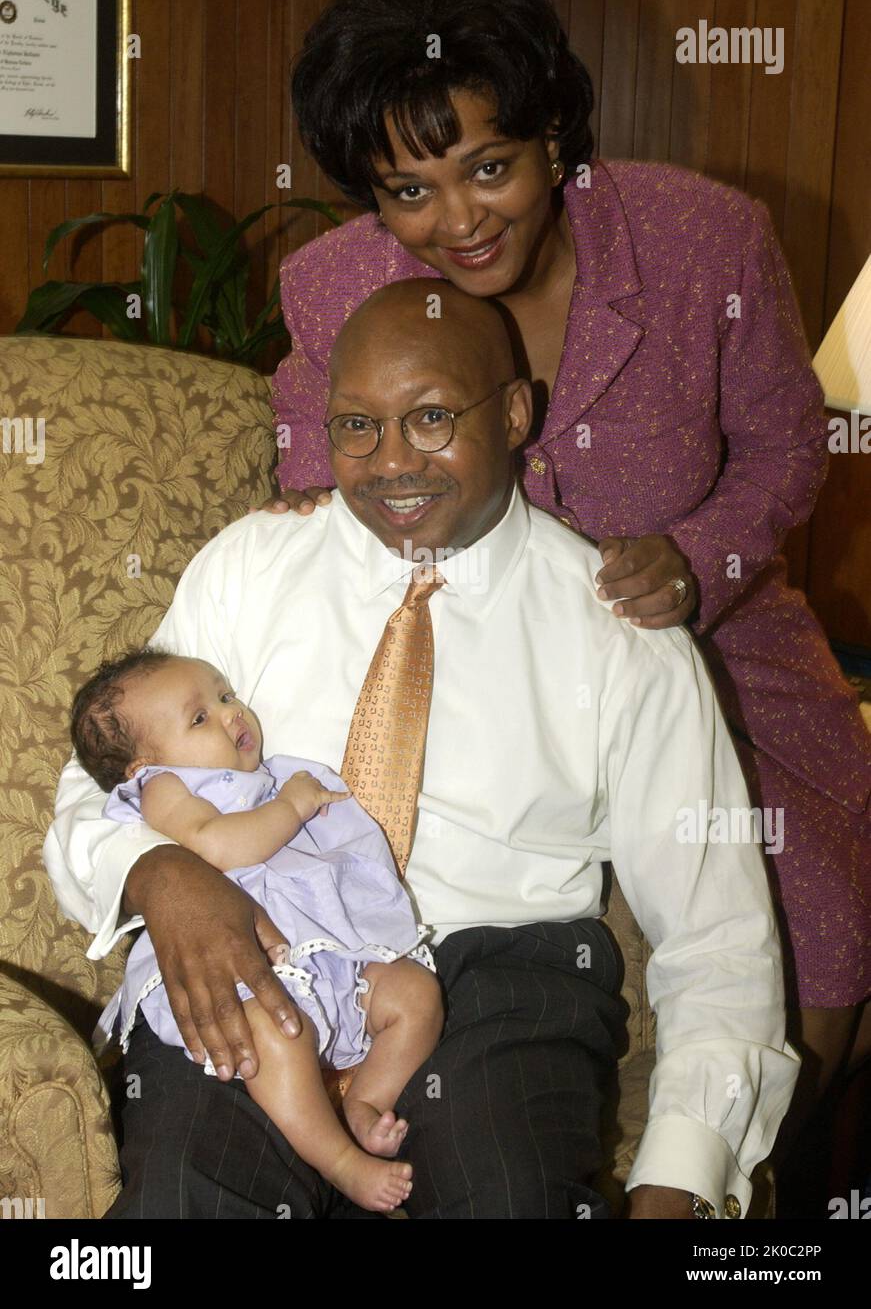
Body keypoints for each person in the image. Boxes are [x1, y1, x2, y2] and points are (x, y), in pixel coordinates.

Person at [269, 0, 870, 1145]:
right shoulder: (333, 286)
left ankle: (758, 1193)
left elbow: (787, 448)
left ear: (554, 137)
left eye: (488, 167)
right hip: (464, 670)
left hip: (712, 654)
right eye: (407, 191)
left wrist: (699, 558)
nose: (458, 221)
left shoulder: (706, 241)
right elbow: (308, 484)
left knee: (815, 920)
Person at [46, 279, 800, 1220]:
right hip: (262, 950)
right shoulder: (251, 568)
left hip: (504, 980)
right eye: (356, 427)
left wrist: (676, 1183)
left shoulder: (619, 628)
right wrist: (160, 874)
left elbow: (716, 931)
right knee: (179, 1202)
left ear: (517, 411)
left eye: (431, 417)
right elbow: (101, 785)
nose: (390, 462)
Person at [69, 648, 443, 1214]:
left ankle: (365, 1100)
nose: (230, 713)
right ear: (140, 767)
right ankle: (339, 1160)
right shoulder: (164, 789)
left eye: (225, 695)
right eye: (199, 717)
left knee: (416, 993)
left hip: (325, 958)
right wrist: (292, 806)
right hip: (242, 971)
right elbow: (217, 845)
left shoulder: (270, 776)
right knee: (276, 1036)